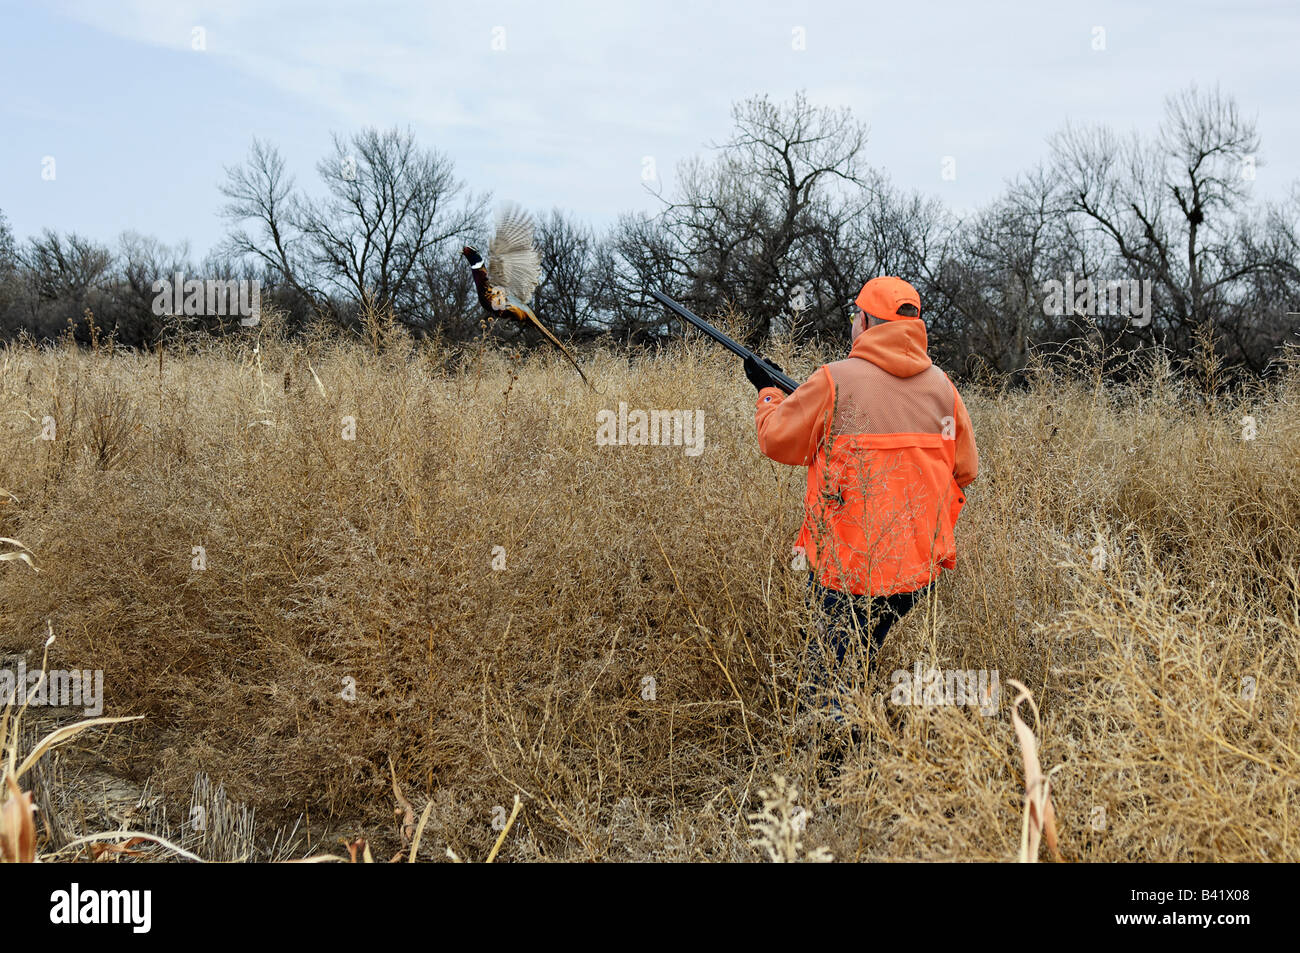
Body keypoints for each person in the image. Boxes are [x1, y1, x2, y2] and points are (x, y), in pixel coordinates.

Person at [744, 276, 978, 724]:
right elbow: (965, 469)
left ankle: (835, 771)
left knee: (827, 681)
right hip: (914, 571)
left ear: (868, 322)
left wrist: (769, 393)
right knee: (862, 655)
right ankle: (865, 731)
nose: (854, 322)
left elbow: (777, 440)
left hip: (846, 569)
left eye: (856, 315)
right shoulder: (943, 388)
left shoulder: (836, 380)